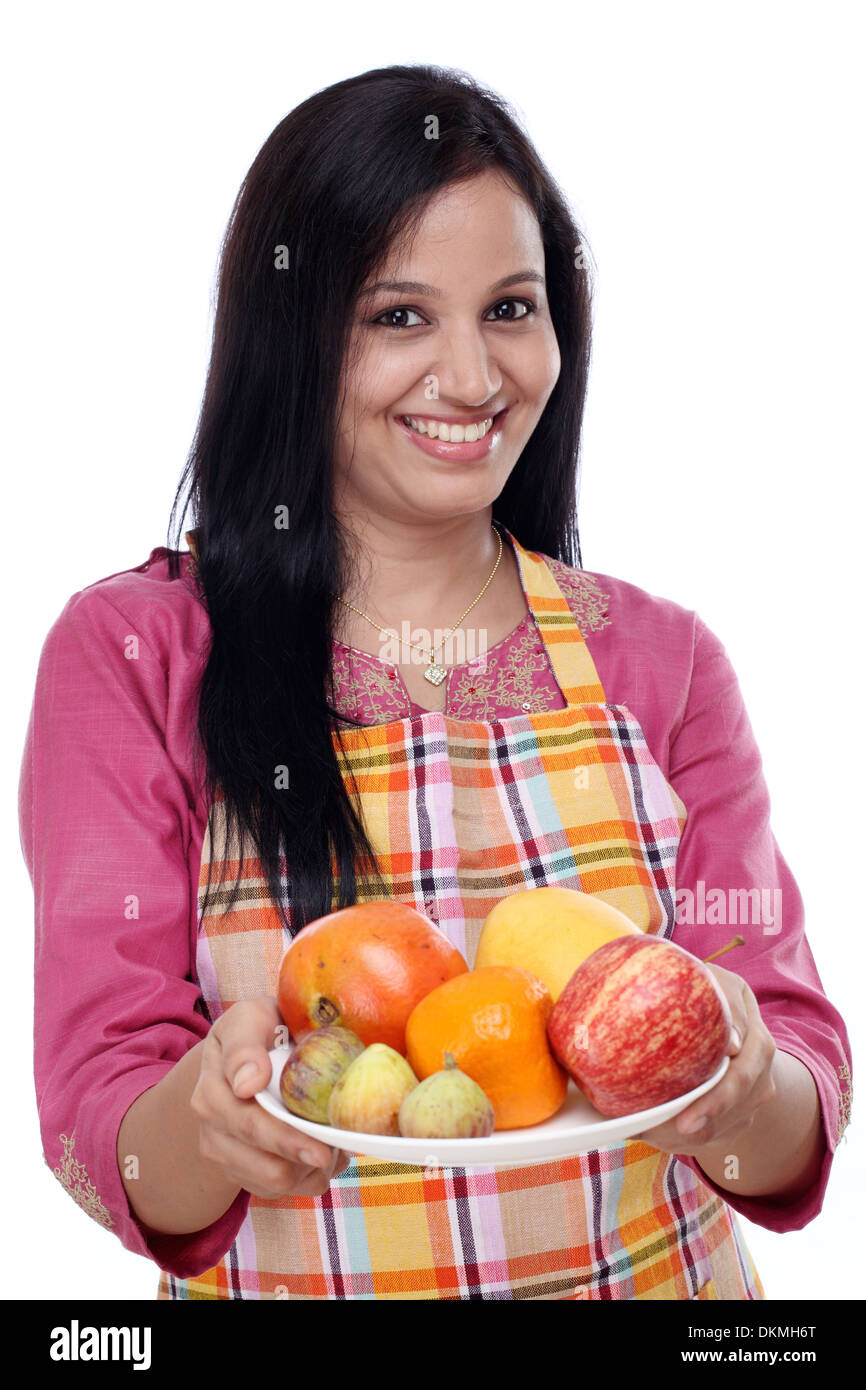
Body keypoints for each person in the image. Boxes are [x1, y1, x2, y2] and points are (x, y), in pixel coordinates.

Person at [21, 63, 852, 1301]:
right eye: (398, 316)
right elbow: (101, 1107)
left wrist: (736, 1080)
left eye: (510, 309)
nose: (471, 379)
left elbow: (788, 1100)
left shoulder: (661, 659)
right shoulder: (136, 654)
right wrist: (206, 1127)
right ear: (288, 334)